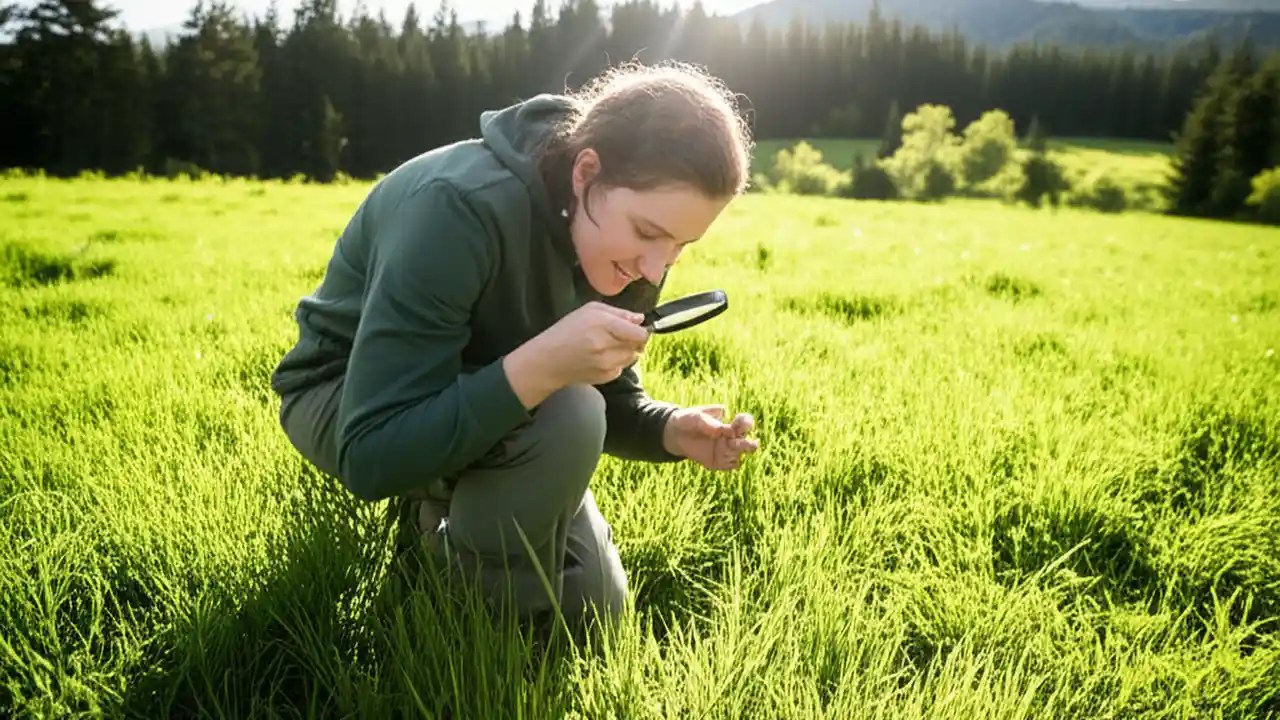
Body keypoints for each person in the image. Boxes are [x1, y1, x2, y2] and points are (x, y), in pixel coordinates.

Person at [270, 60, 760, 630]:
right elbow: (371, 455)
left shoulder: (633, 247)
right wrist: (545, 365)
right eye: (648, 233)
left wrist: (669, 429)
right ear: (585, 172)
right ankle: (455, 617)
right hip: (350, 397)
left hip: (473, 397)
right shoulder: (455, 208)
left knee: (597, 608)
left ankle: (444, 528)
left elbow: (611, 394)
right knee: (569, 419)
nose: (655, 266)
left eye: (681, 245)